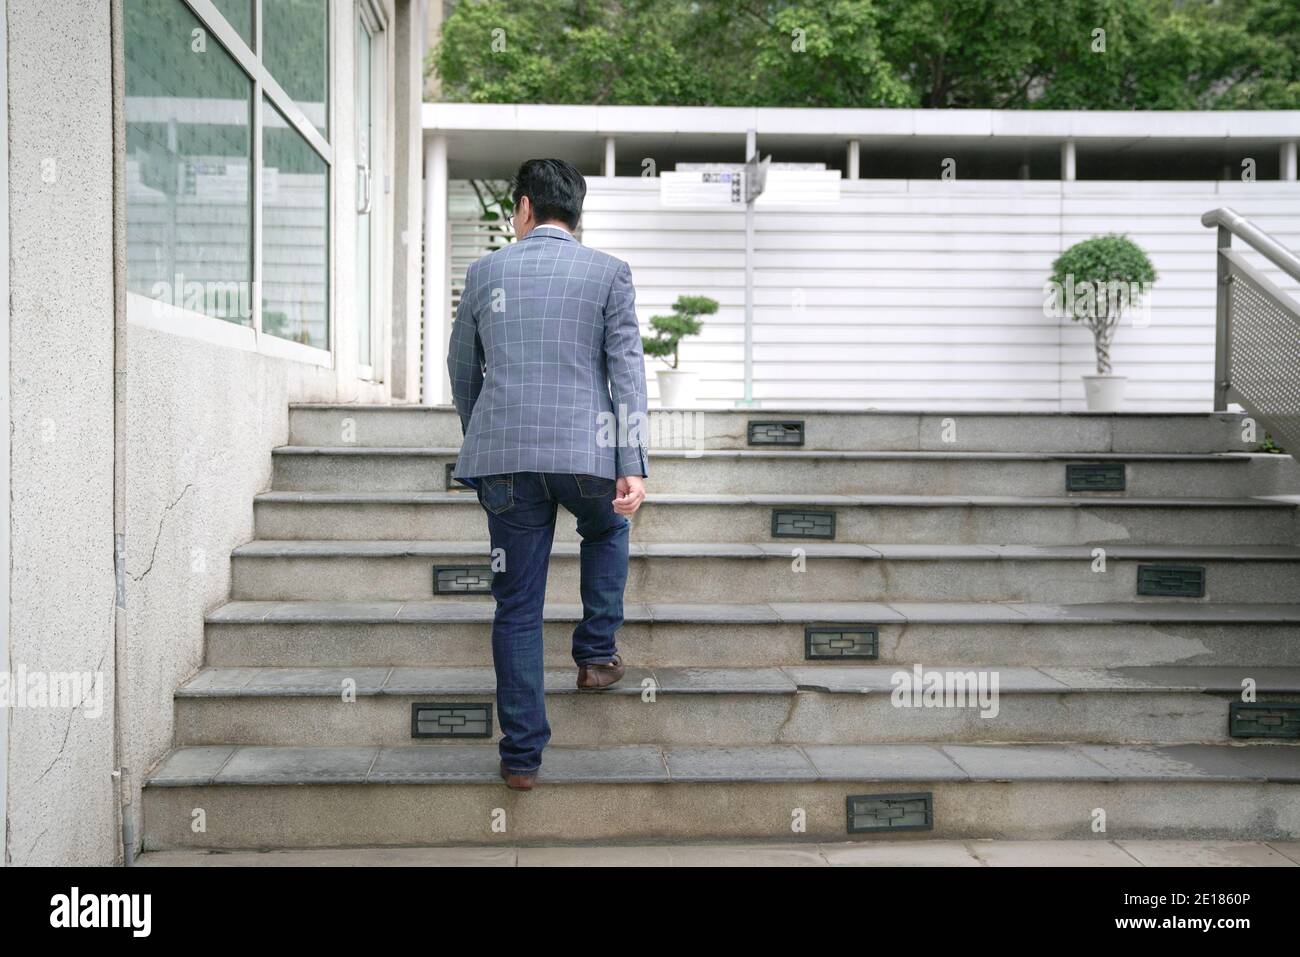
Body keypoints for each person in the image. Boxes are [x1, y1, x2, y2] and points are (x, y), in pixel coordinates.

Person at [446, 158, 649, 791]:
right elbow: (628, 376)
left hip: (507, 461)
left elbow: (461, 371)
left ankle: (521, 757)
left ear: (526, 207)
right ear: (576, 214)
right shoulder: (609, 274)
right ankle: (594, 655)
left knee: (516, 605)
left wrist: (484, 432)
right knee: (608, 529)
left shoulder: (485, 272)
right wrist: (632, 465)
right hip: (589, 456)